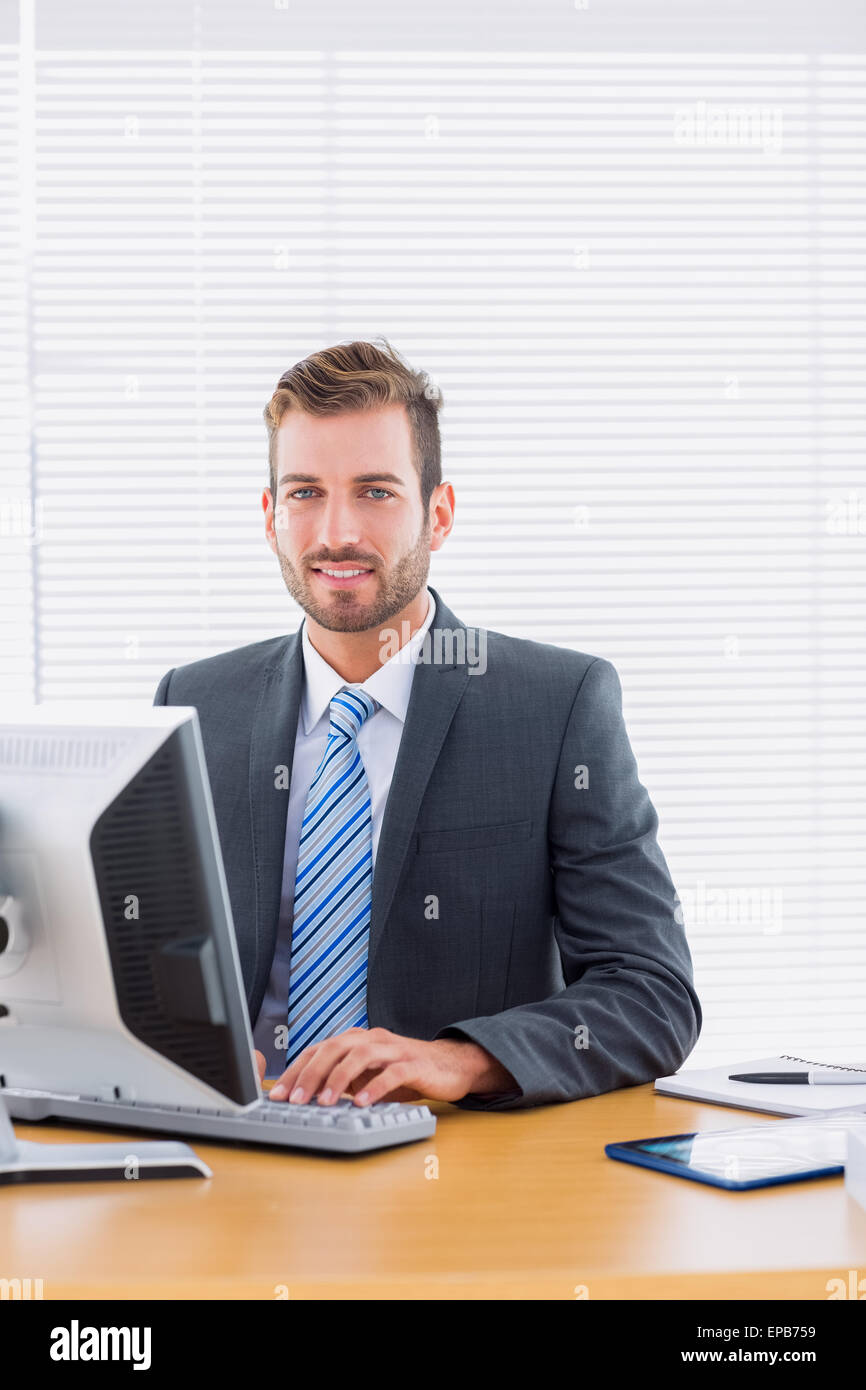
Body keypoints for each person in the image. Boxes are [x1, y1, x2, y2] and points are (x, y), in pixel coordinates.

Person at [154, 337, 700, 1111]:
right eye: (305, 493)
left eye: (375, 492)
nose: (336, 532)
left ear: (438, 515)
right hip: (240, 1155)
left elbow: (651, 995)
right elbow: (147, 963)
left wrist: (463, 1059)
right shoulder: (197, 704)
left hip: (452, 1171)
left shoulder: (557, 704)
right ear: (271, 514)